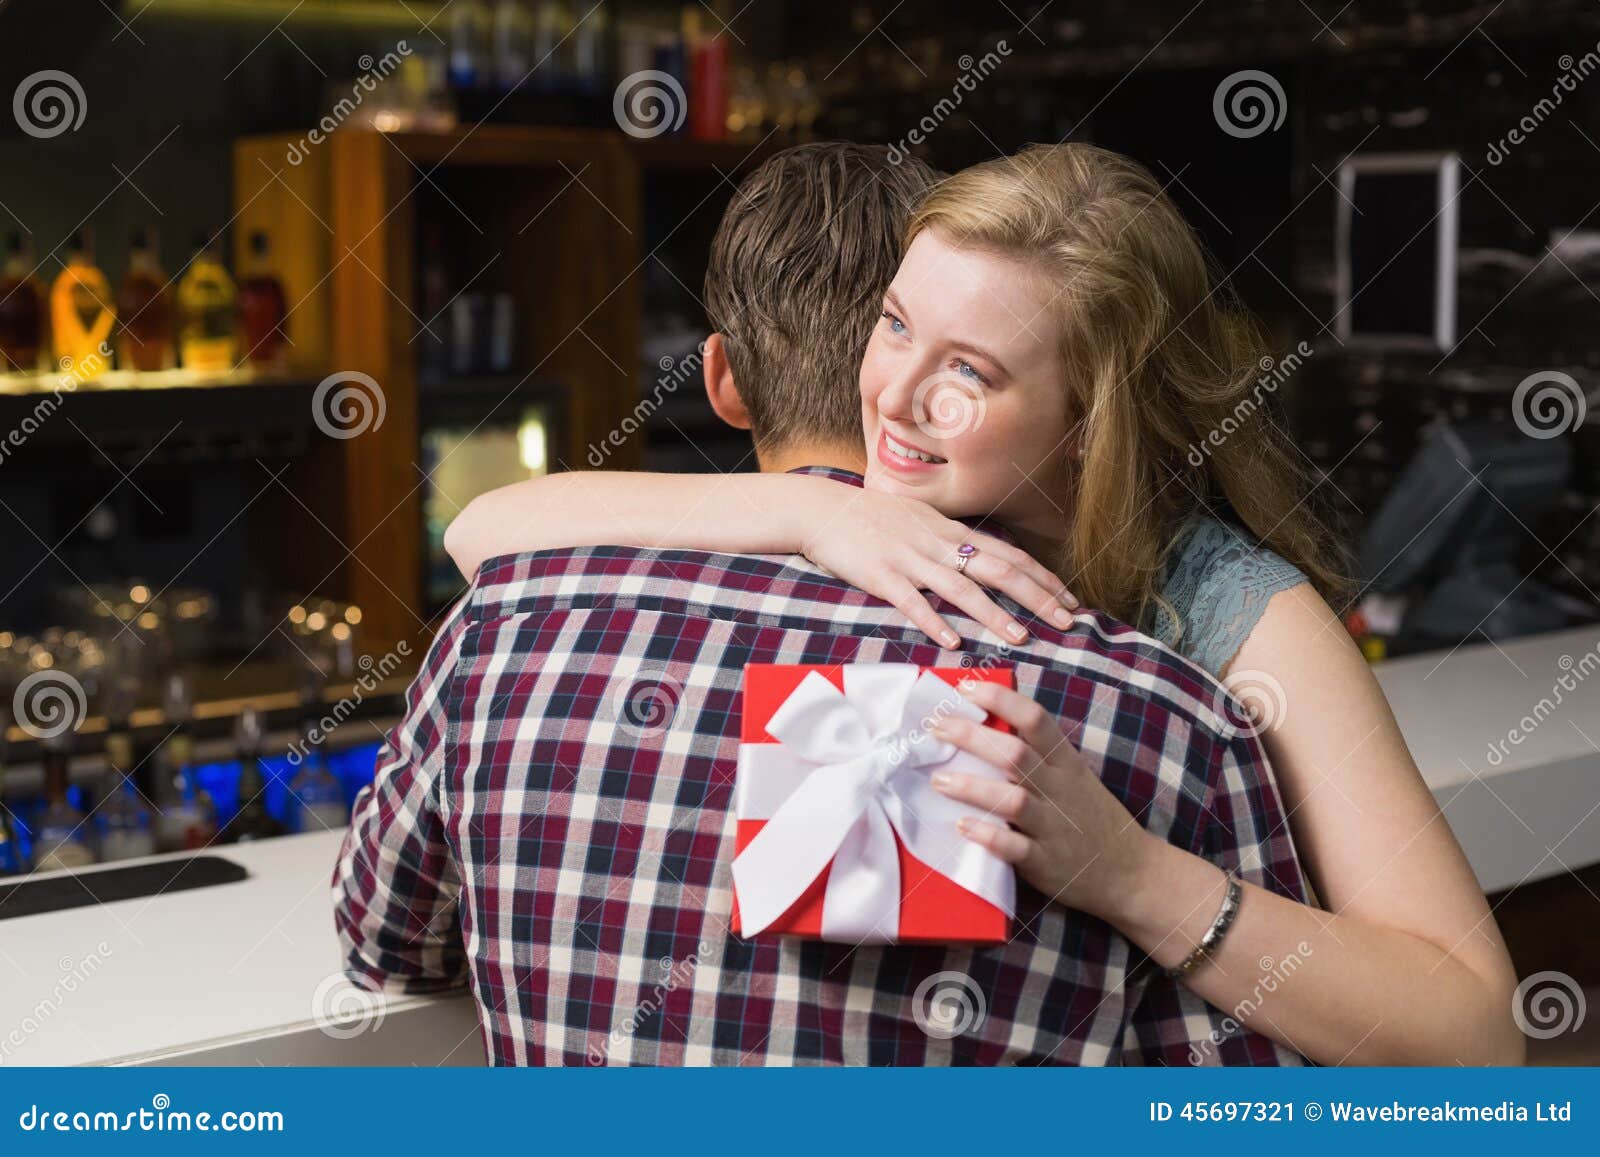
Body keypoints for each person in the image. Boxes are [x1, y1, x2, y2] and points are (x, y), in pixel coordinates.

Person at [443, 143, 1525, 1066]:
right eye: (893, 322)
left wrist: (1133, 875)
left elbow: (1471, 1028)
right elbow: (479, 526)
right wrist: (805, 513)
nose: (894, 394)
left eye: (967, 369)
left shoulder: (1233, 609)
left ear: (1088, 419)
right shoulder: (864, 518)